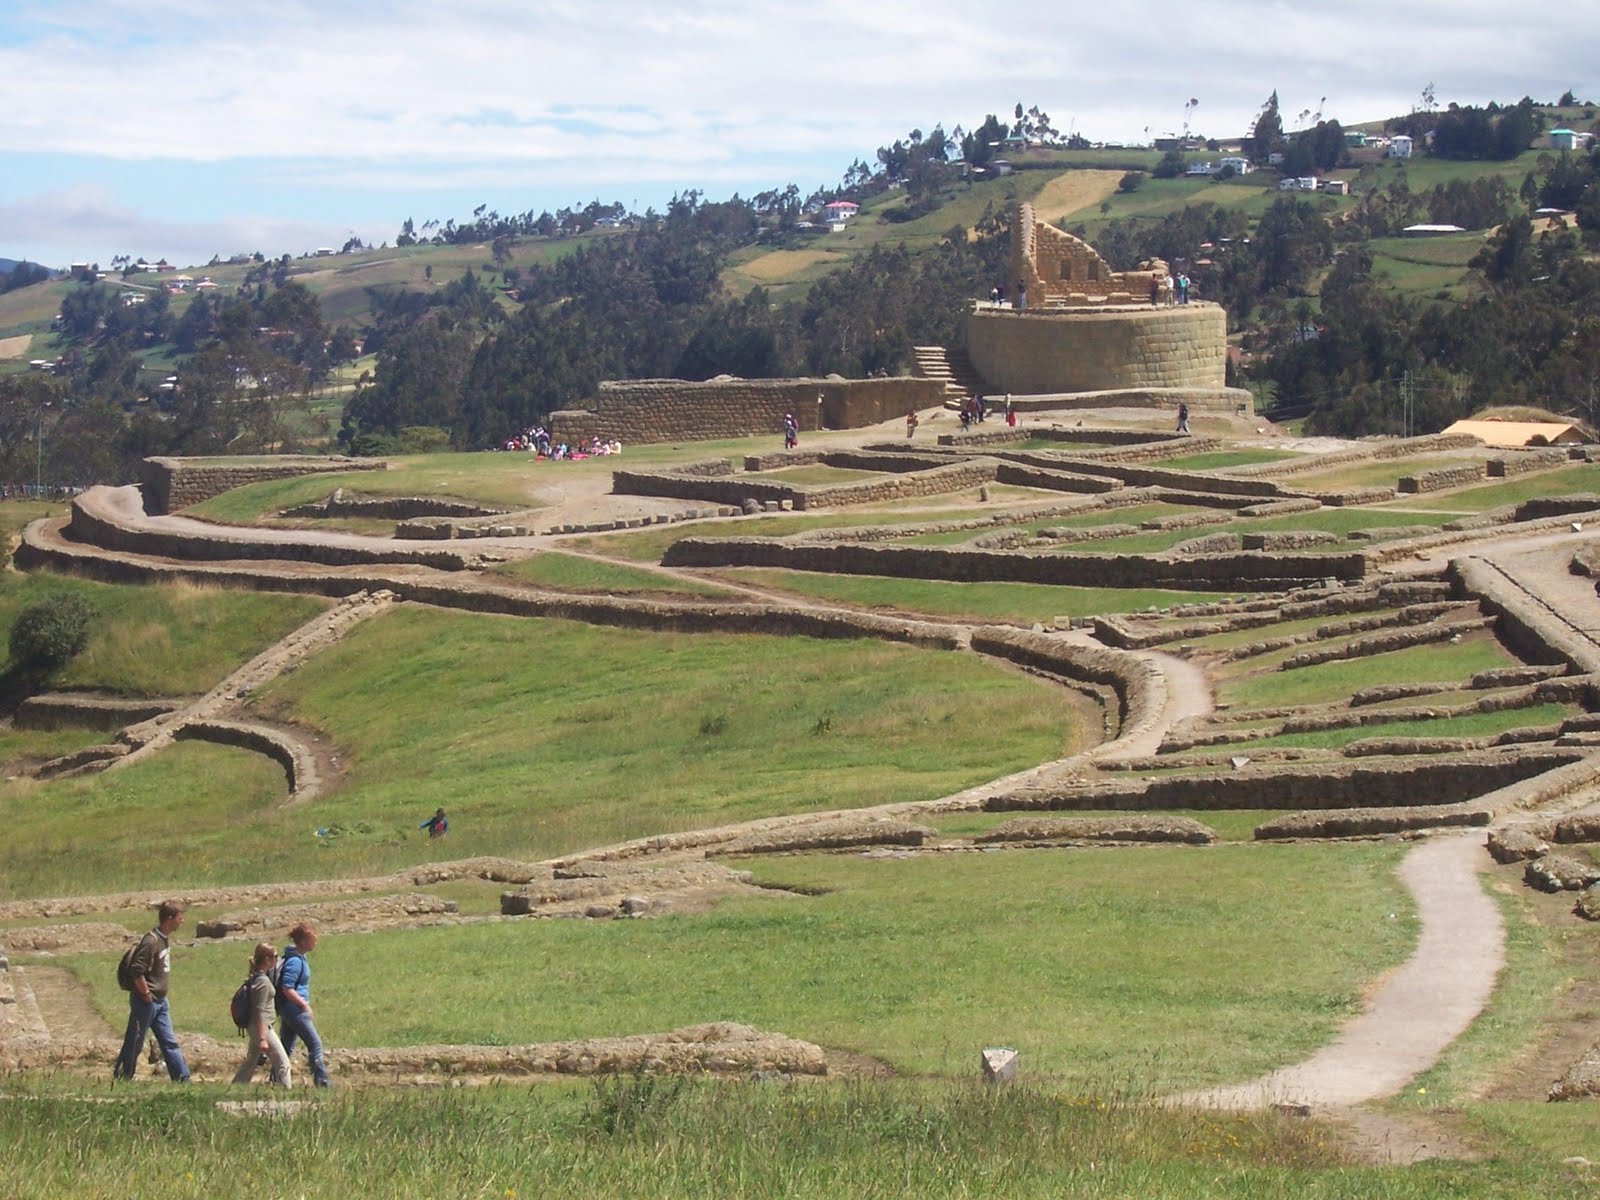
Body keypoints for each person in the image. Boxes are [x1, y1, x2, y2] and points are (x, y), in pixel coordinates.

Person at [113, 901, 191, 1082]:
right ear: (169, 918)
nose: (183, 921)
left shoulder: (164, 938)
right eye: (180, 917)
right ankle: (123, 1077)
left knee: (170, 1042)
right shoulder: (151, 941)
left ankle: (183, 1080)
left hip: (161, 1002)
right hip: (146, 1002)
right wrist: (146, 994)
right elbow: (136, 970)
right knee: (134, 1043)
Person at [278, 923, 331, 1088]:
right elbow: (287, 987)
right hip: (295, 1010)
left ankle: (277, 1080)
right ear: (302, 941)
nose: (315, 942)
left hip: (288, 1009)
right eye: (311, 939)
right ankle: (322, 1082)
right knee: (315, 1044)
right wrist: (304, 1005)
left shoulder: (298, 958)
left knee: (285, 1047)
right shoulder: (295, 961)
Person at [233, 943, 290, 1088]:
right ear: (267, 959)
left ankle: (236, 1087)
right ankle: (285, 1091)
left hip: (257, 1028)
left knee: (251, 1063)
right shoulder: (263, 982)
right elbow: (259, 1011)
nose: (277, 960)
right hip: (263, 1028)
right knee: (283, 1062)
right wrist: (263, 1038)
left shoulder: (256, 978)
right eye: (275, 956)